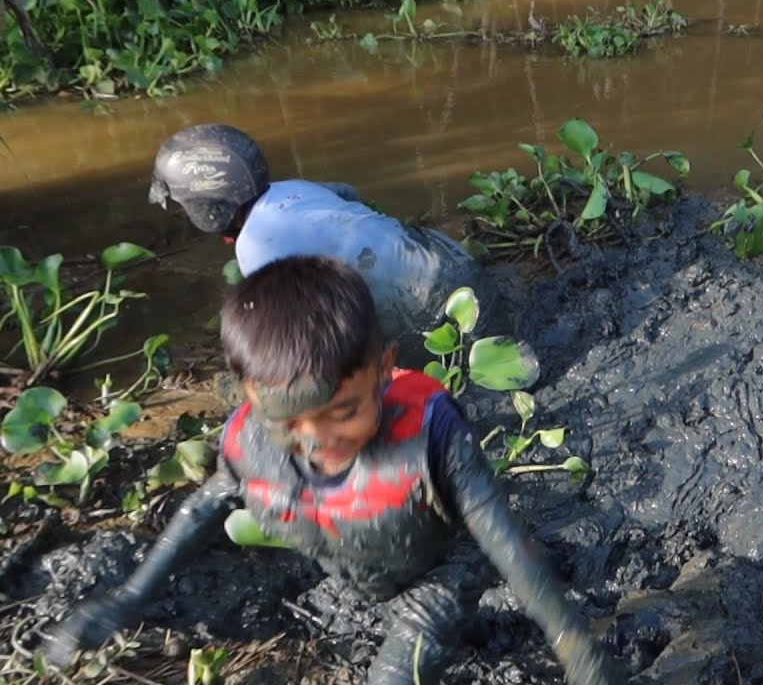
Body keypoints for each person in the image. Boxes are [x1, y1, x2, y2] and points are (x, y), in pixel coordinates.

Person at [41, 256, 622, 685]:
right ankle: (476, 638)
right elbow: (204, 507)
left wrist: (574, 645)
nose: (318, 440)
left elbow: (502, 538)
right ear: (248, 394)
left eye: (344, 411)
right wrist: (126, 599)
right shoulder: (250, 441)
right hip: (366, 566)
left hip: (440, 573)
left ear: (385, 371)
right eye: (288, 421)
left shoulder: (432, 436)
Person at [148, 123, 496, 366]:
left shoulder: (254, 247)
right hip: (450, 260)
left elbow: (304, 326)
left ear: (206, 205)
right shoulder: (290, 187)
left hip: (424, 309)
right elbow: (348, 195)